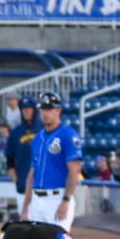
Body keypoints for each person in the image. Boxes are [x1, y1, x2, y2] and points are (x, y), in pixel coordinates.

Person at [21, 92, 82, 231]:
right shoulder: (38, 138)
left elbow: (75, 171)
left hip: (57, 197)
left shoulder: (68, 134)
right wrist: (26, 206)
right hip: (37, 199)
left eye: (49, 109)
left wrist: (66, 200)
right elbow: (32, 173)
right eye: (43, 109)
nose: (45, 113)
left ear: (58, 110)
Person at [6, 95, 38, 199]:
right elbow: (9, 159)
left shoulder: (44, 130)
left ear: (34, 109)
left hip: (42, 189)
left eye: (29, 108)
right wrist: (17, 181)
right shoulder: (15, 133)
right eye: (24, 108)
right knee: (24, 215)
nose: (26, 111)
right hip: (23, 188)